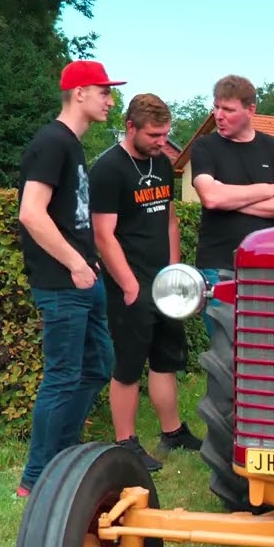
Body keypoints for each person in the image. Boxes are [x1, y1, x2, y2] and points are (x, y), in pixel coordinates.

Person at [14, 60, 124, 498]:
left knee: (99, 366)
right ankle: (37, 477)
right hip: (63, 284)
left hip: (83, 280)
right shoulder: (52, 143)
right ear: (79, 93)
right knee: (61, 376)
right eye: (104, 91)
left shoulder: (73, 145)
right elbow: (30, 213)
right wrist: (75, 264)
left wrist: (89, 264)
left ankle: (62, 455)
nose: (111, 100)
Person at [89, 93, 203, 472]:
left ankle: (172, 432)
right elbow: (104, 234)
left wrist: (172, 272)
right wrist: (128, 285)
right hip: (129, 284)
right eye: (155, 134)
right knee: (127, 365)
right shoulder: (108, 170)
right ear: (131, 127)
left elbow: (169, 219)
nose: (161, 141)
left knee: (165, 360)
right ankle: (125, 442)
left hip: (163, 283)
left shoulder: (161, 163)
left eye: (165, 134)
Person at [189, 75, 274, 335]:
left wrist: (228, 198)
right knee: (225, 346)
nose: (219, 116)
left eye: (228, 109)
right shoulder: (205, 146)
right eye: (216, 107)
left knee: (266, 343)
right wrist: (267, 189)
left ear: (250, 110)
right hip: (218, 266)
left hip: (267, 266)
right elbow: (210, 198)